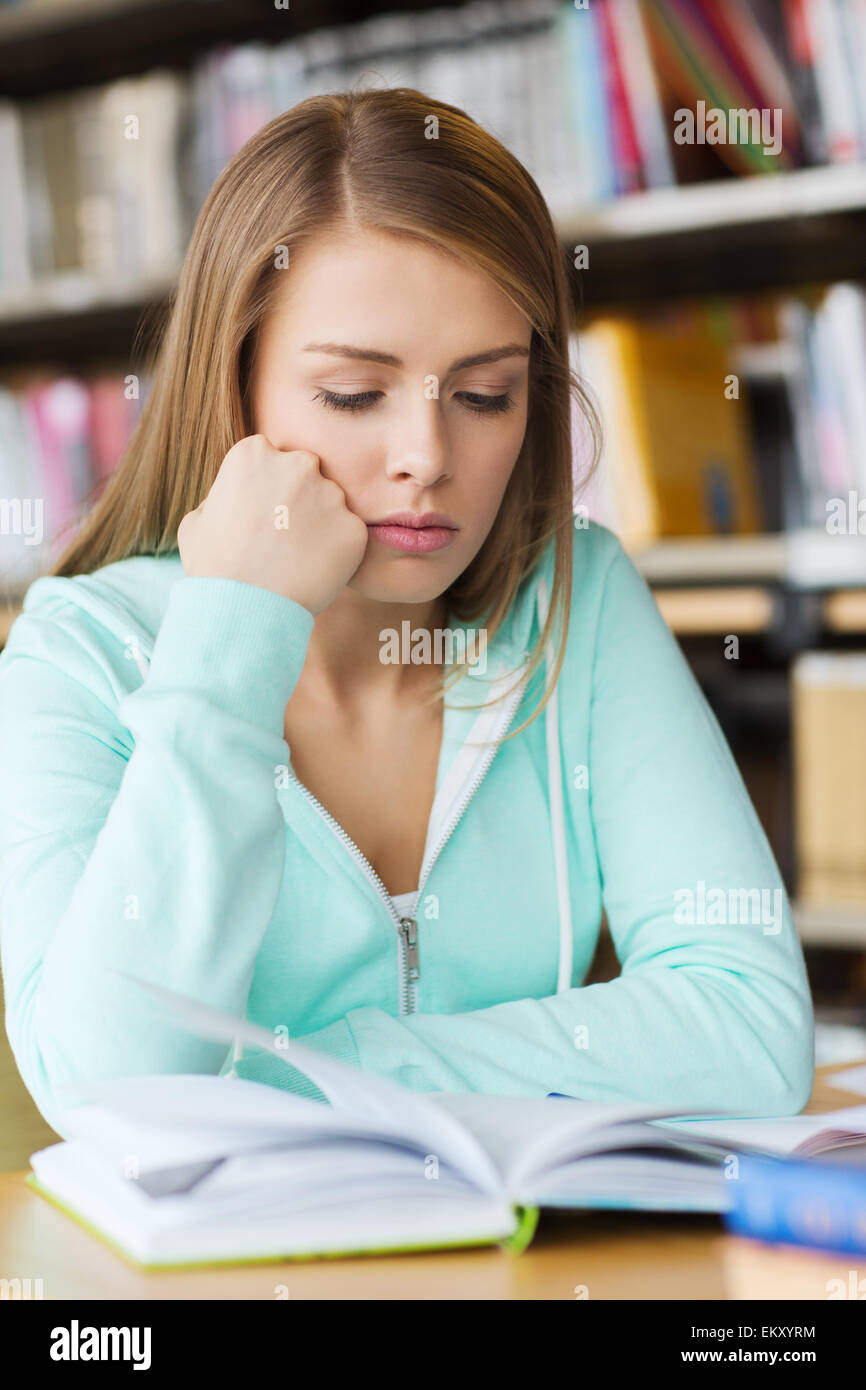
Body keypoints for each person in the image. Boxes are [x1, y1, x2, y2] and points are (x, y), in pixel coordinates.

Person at [0, 88, 813, 1137]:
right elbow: (113, 1088)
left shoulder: (580, 598)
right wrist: (233, 632)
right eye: (352, 394)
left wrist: (327, 1072)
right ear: (234, 380)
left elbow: (748, 1024)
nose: (426, 458)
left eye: (484, 395)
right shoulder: (77, 656)